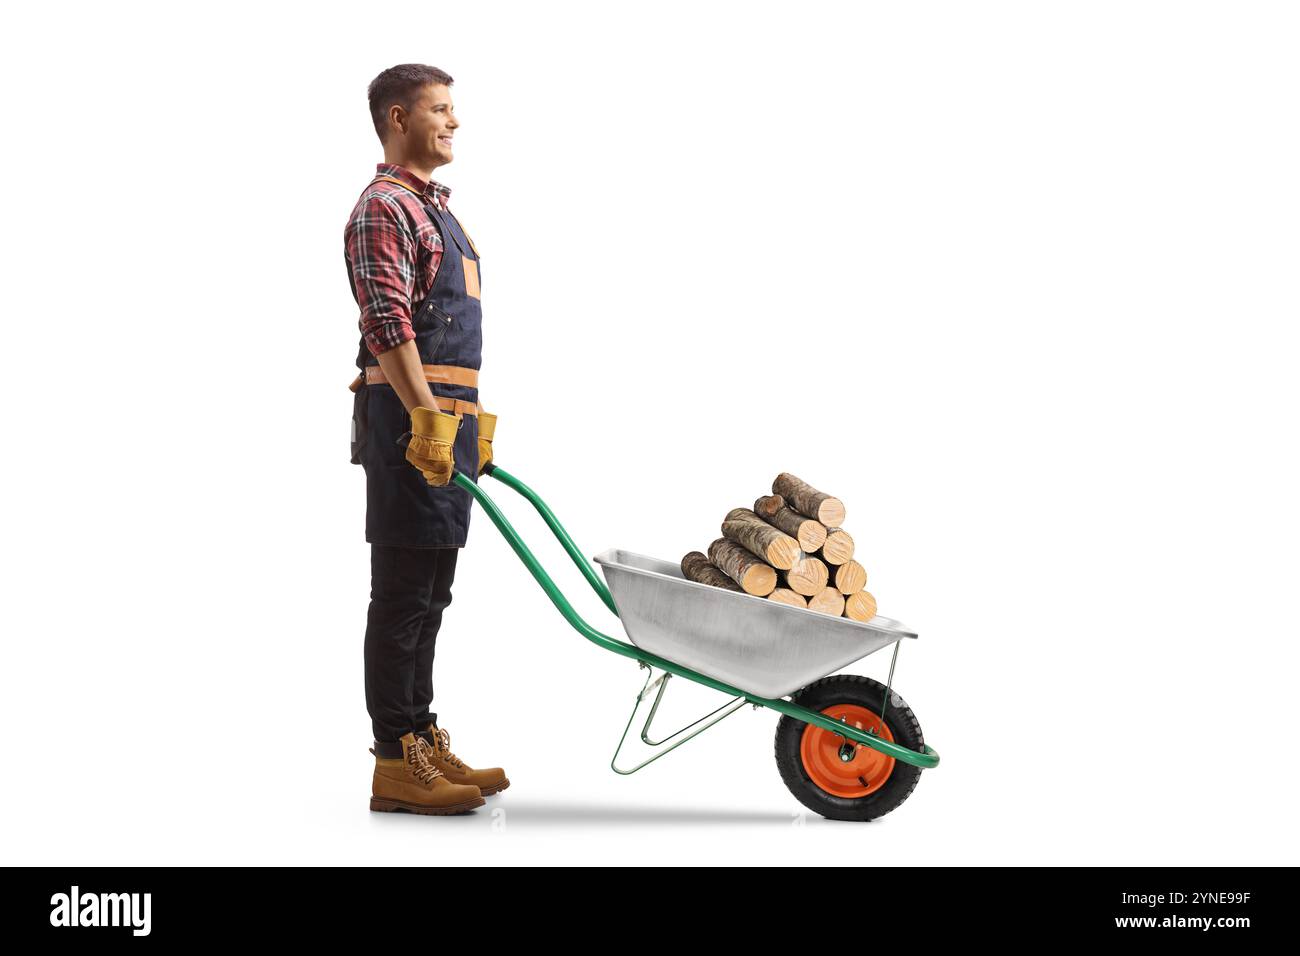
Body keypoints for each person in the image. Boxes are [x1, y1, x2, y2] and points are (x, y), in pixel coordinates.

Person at [344, 63, 509, 815]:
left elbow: (442, 337)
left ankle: (421, 735)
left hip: (444, 422)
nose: (454, 121)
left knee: (432, 595)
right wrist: (427, 416)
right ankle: (394, 758)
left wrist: (472, 419)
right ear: (399, 116)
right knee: (404, 595)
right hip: (417, 427)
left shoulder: (437, 211)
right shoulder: (385, 208)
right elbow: (388, 324)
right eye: (441, 110)